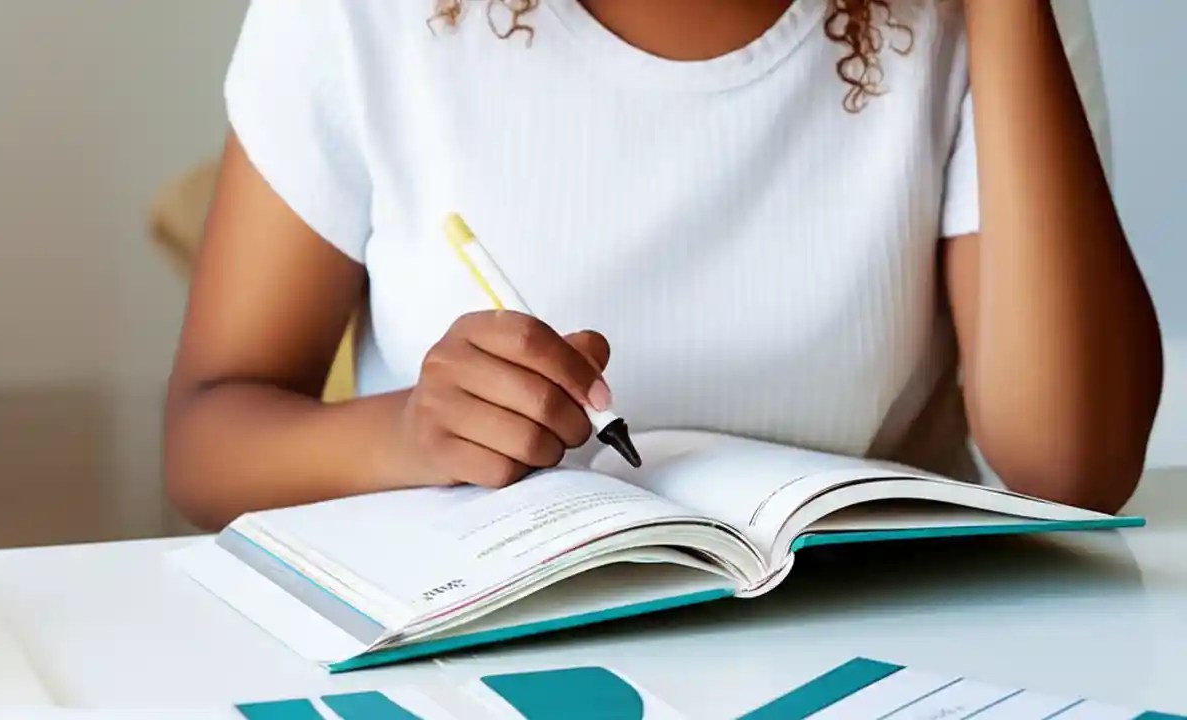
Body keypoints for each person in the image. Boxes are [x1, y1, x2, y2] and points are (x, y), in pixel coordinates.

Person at [163, 0, 1163, 531]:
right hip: (476, 657)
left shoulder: (968, 19)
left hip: (868, 656)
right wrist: (409, 440)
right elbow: (207, 442)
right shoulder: (360, 16)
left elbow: (1070, 470)